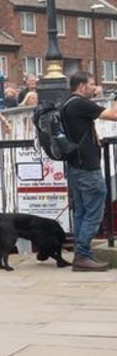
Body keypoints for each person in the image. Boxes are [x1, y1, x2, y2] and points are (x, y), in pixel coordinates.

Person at [61, 72, 117, 271]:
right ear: (82, 87)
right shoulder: (80, 103)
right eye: (92, 84)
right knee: (94, 211)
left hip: (76, 166)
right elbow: (114, 115)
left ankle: (81, 254)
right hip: (87, 168)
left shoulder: (68, 103)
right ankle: (82, 256)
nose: (95, 88)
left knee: (82, 212)